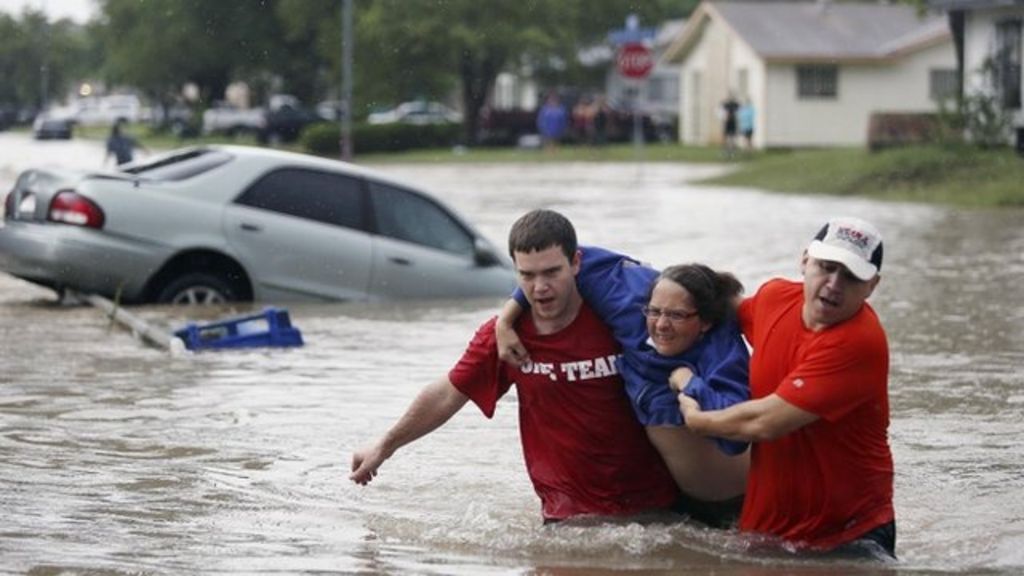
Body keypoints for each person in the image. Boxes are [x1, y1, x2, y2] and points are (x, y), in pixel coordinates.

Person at [350, 210, 680, 522]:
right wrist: (385, 445)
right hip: (568, 516)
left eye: (552, 272)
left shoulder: (624, 321)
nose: (540, 287)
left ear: (576, 263)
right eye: (528, 275)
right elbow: (448, 393)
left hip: (657, 508)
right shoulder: (505, 337)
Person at [677, 216, 896, 557]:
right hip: (765, 534)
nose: (834, 284)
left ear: (871, 286)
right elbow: (717, 302)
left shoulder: (859, 343)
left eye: (851, 276)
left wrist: (697, 419)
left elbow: (764, 423)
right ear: (805, 260)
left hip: (848, 539)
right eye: (826, 267)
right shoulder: (774, 299)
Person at [496, 248, 751, 527]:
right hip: (673, 498)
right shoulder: (631, 307)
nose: (661, 325)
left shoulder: (721, 352)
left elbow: (735, 437)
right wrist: (505, 319)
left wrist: (687, 382)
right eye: (655, 311)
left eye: (677, 315)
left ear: (705, 322)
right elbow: (564, 257)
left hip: (734, 502)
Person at [720, 93, 739, 158]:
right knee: (727, 138)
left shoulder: (735, 105)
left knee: (732, 138)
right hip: (728, 123)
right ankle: (727, 151)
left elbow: (738, 112)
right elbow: (722, 111)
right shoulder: (727, 105)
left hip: (732, 123)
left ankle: (732, 151)